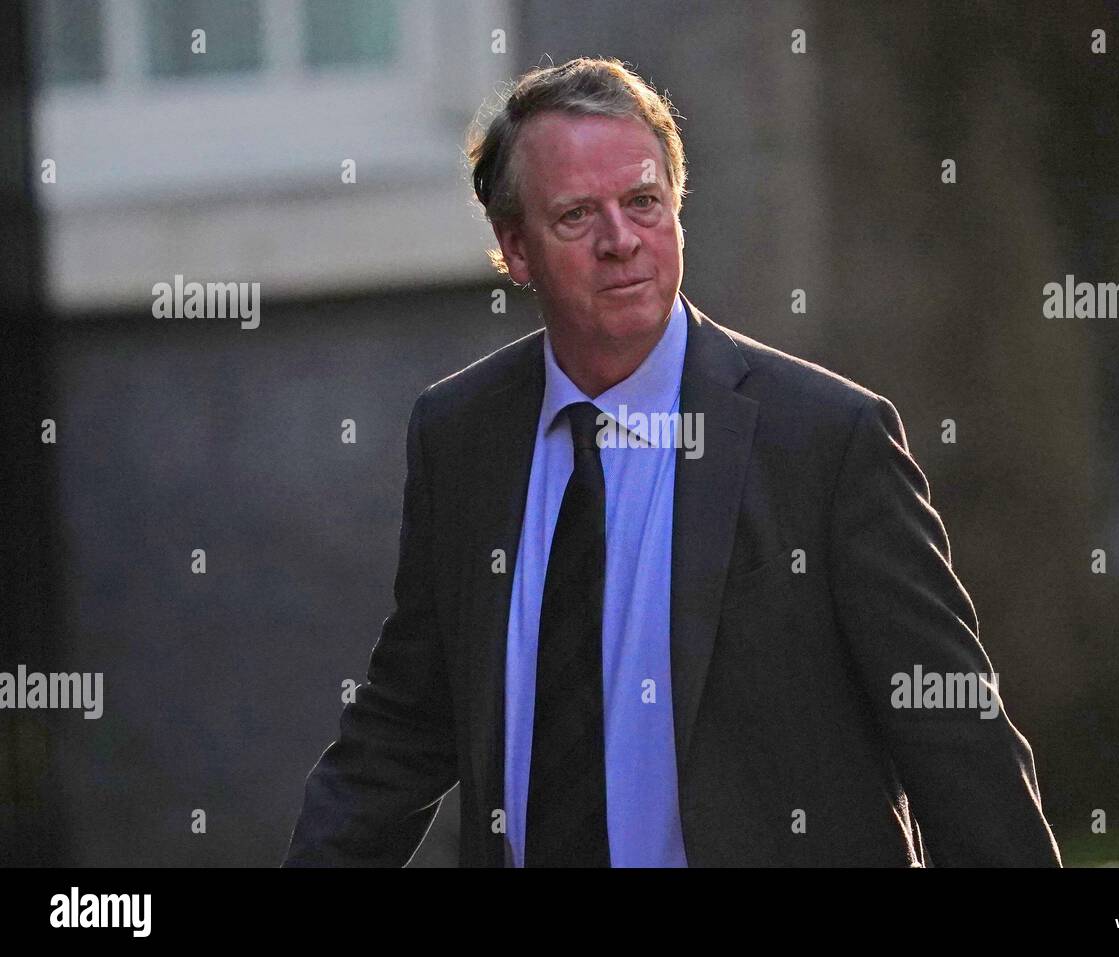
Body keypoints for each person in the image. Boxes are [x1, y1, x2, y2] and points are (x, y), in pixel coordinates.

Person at [283, 56, 1062, 867]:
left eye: (644, 203)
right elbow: (408, 720)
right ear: (515, 249)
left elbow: (956, 741)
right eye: (578, 216)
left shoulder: (826, 442)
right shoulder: (461, 435)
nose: (622, 241)